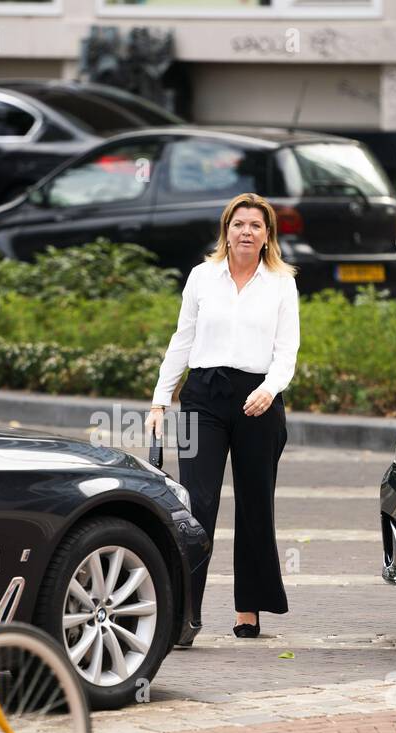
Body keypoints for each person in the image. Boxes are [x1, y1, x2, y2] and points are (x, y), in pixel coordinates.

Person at [145, 193, 300, 640]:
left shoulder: (280, 283)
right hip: (203, 398)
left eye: (255, 225)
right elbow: (182, 340)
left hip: (260, 401)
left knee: (255, 506)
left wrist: (269, 390)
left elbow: (286, 351)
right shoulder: (202, 277)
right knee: (196, 506)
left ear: (267, 234)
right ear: (226, 231)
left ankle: (248, 608)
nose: (246, 232)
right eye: (238, 224)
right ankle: (183, 612)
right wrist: (160, 400)